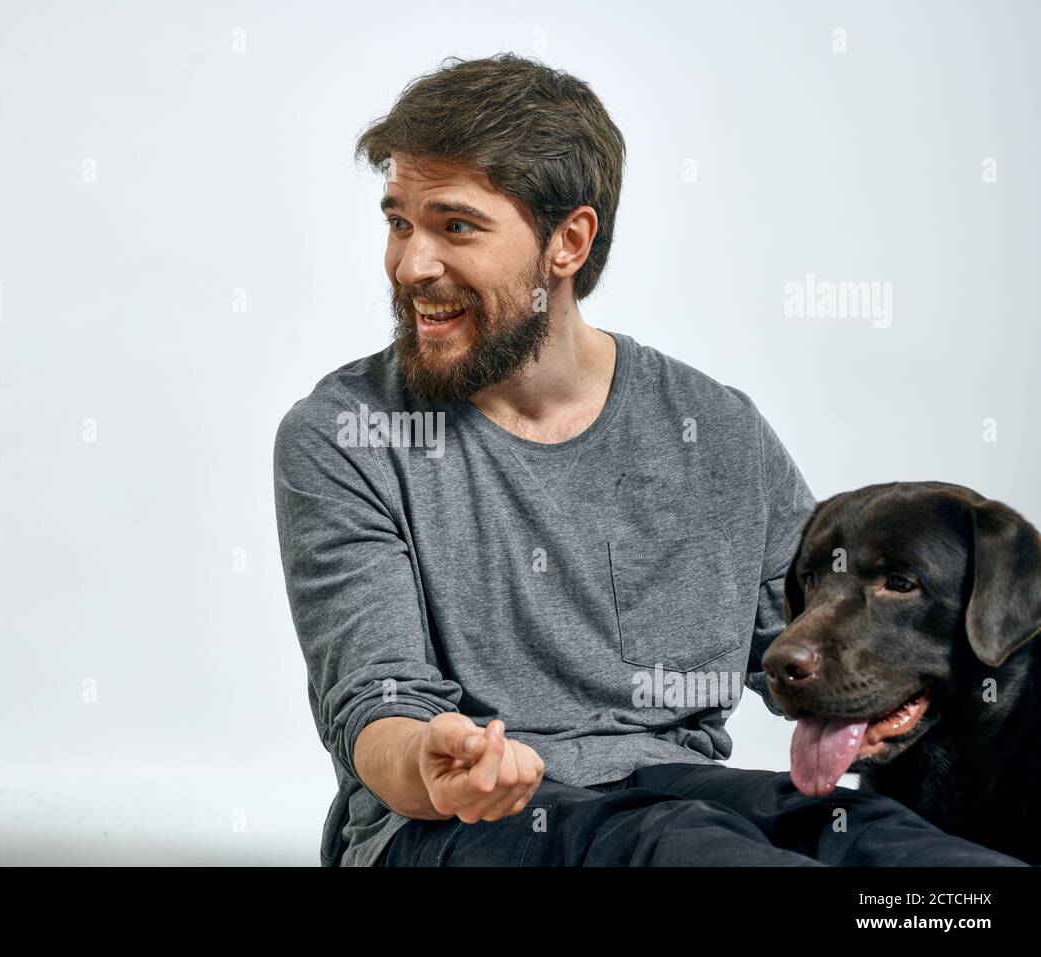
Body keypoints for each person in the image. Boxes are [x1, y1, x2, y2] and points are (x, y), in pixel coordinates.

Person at [271, 53, 1028, 867]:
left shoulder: (716, 430)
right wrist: (430, 760)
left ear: (569, 240)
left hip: (681, 790)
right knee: (677, 846)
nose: (411, 265)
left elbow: (815, 650)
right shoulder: (348, 434)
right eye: (398, 222)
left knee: (890, 844)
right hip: (444, 828)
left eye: (455, 226)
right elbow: (374, 708)